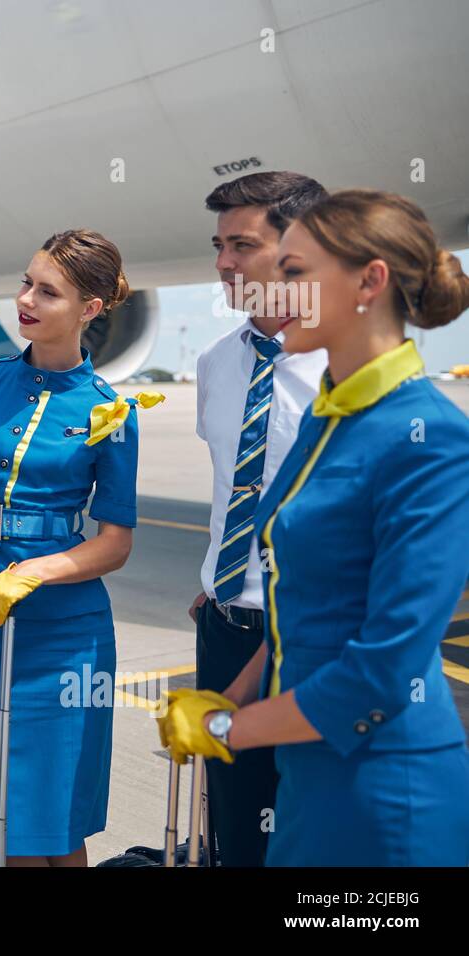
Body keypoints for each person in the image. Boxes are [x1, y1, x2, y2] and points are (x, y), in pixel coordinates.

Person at [160, 189, 469, 866]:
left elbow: (381, 671)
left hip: (381, 787)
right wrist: (226, 696)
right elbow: (299, 606)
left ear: (370, 282)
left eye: (295, 273)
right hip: (310, 774)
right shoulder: (329, 420)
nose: (276, 288)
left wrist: (226, 726)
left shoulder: (432, 440)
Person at [0, 230, 162, 866]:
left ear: (90, 308)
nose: (25, 300)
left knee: (59, 822)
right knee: (6, 816)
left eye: (47, 291)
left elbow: (114, 543)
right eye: (26, 282)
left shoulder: (112, 411)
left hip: (65, 631)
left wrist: (32, 573)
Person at [189, 171, 327, 865]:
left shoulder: (344, 371)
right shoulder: (215, 364)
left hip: (311, 642)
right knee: (239, 836)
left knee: (311, 841)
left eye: (241, 245)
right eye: (218, 245)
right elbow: (231, 490)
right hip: (225, 632)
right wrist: (220, 576)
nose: (222, 264)